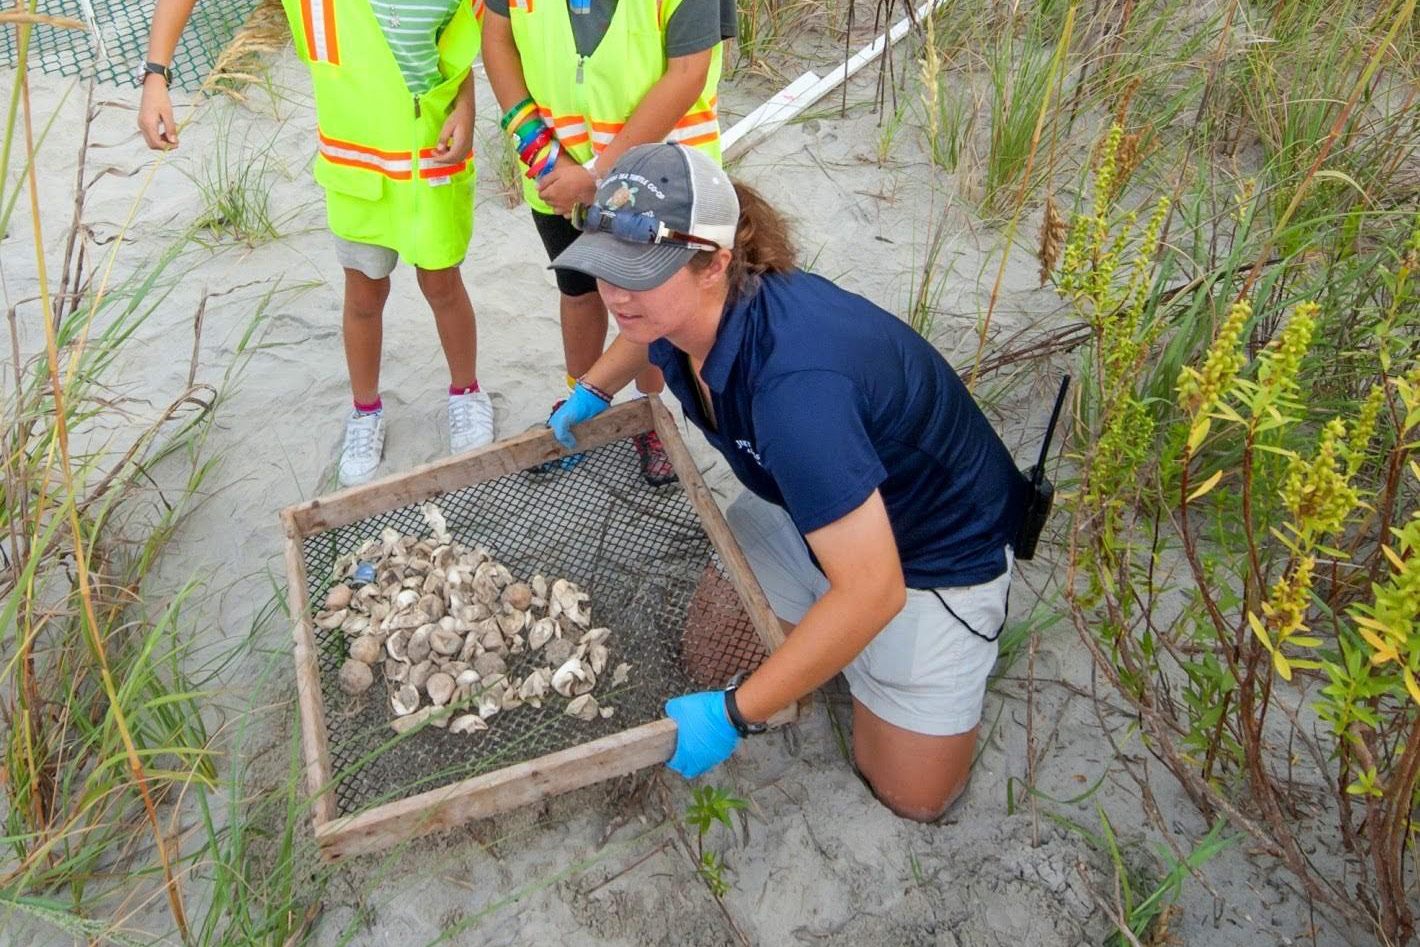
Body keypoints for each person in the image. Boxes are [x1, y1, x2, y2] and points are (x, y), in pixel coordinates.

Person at [546, 144, 1031, 822]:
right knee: (709, 652)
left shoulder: (796, 390)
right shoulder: (683, 310)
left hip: (933, 556)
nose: (618, 293)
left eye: (641, 272)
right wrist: (592, 389)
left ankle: (904, 653)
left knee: (912, 793)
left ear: (716, 261)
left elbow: (876, 587)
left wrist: (735, 713)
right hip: (810, 505)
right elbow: (641, 325)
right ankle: (828, 645)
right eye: (605, 269)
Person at [139, 0, 496, 487]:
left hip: (431, 163)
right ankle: (366, 411)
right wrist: (156, 75)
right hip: (356, 171)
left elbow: (452, 47)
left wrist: (467, 106)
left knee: (442, 285)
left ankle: (466, 393)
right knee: (364, 295)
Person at [480, 0, 734, 485]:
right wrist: (537, 146)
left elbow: (687, 72)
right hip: (555, 173)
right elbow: (497, 38)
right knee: (578, 290)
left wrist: (599, 174)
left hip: (660, 180)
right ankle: (582, 403)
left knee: (650, 301)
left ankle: (648, 411)